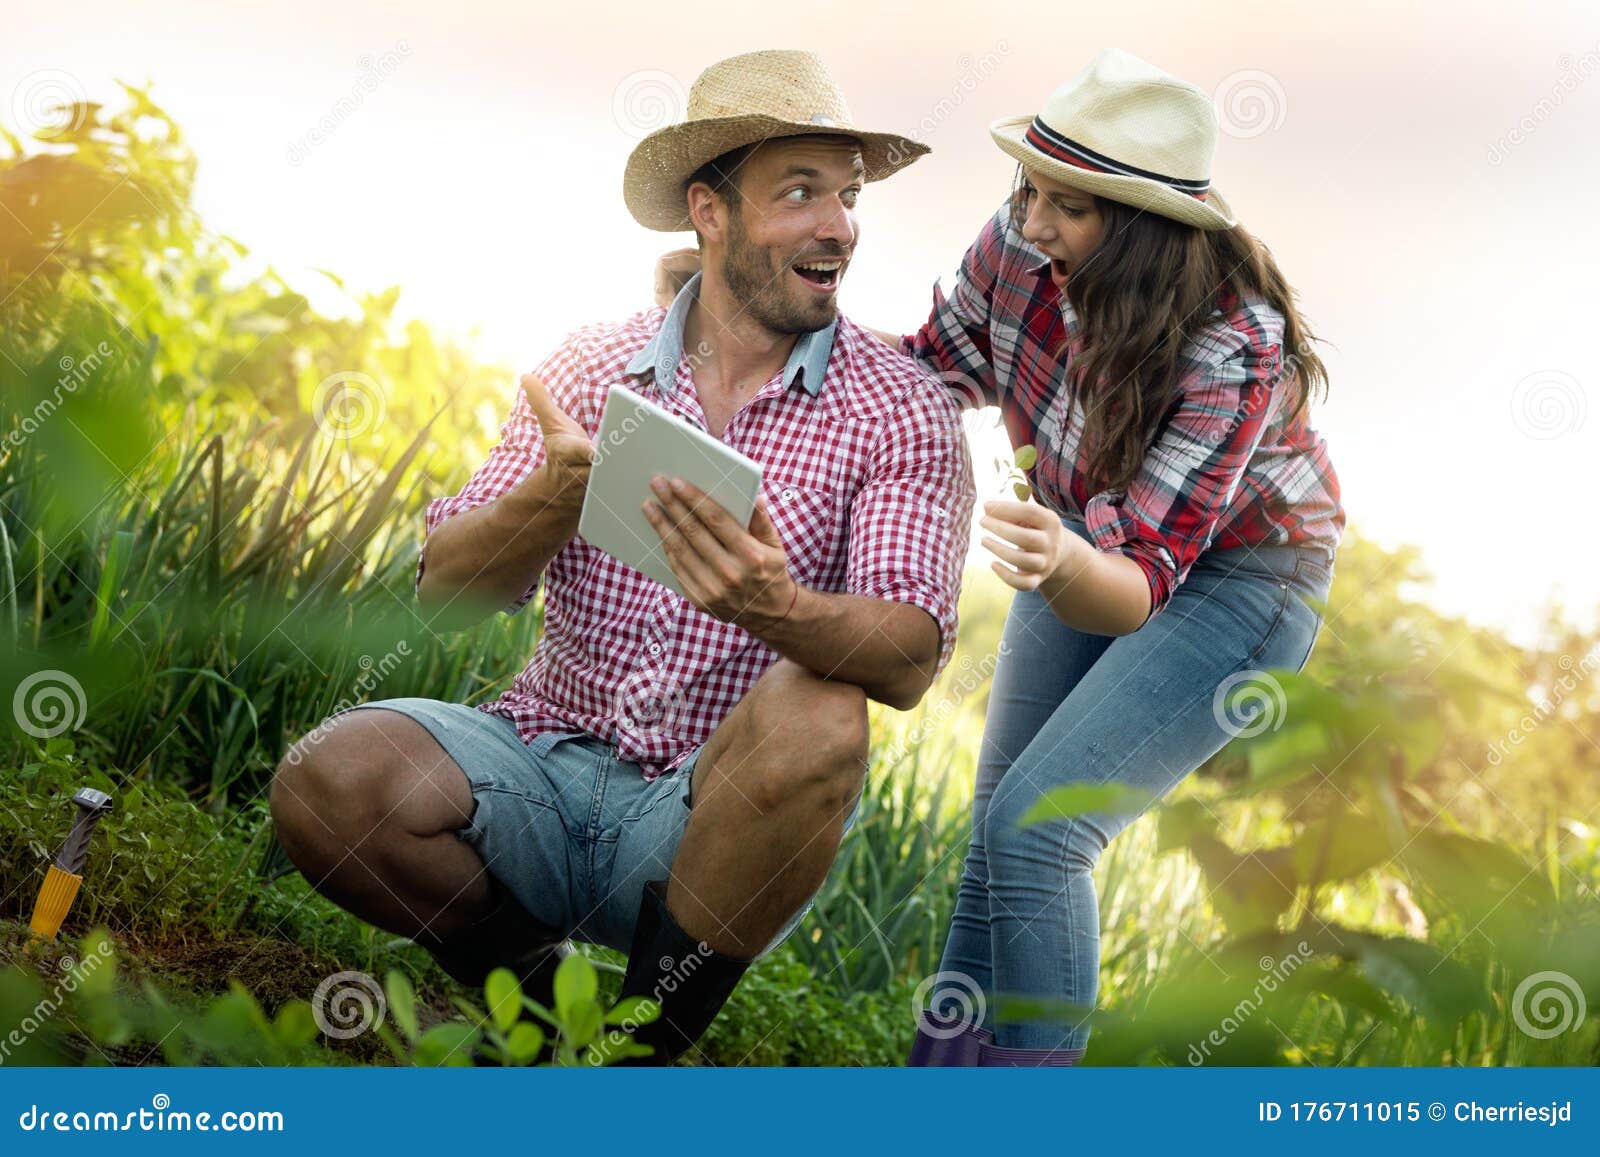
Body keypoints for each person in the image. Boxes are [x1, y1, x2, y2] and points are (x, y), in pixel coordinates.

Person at [268, 49, 975, 1066]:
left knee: (821, 708)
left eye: (848, 196)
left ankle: (633, 1063)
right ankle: (543, 1011)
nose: (839, 226)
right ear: (710, 211)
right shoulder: (591, 361)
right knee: (325, 779)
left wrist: (775, 607)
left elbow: (907, 659)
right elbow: (445, 596)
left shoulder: (900, 406)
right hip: (536, 767)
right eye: (800, 193)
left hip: (705, 820)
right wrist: (553, 497)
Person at [659, 46, 1345, 1065]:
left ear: (1144, 229)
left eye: (1068, 207)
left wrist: (1062, 561)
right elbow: (926, 373)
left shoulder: (1232, 342)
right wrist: (743, 310)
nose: (1032, 222)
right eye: (1029, 190)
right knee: (997, 832)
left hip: (1239, 579)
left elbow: (1135, 583)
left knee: (1042, 829)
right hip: (1076, 532)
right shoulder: (1019, 245)